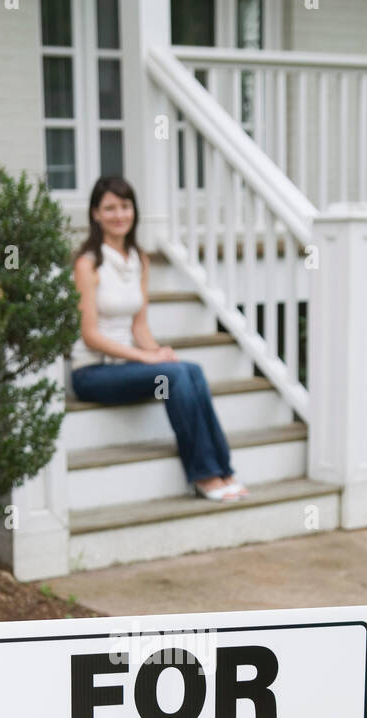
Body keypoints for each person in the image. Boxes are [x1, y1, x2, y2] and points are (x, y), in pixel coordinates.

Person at [70, 175, 248, 500]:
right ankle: (205, 476)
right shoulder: (88, 264)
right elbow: (90, 335)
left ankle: (224, 470)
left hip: (126, 366)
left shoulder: (139, 259)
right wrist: (146, 358)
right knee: (174, 375)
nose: (119, 215)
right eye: (109, 208)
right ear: (95, 214)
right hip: (93, 372)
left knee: (189, 369)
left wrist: (158, 350)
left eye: (125, 206)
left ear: (134, 211)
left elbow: (139, 327)